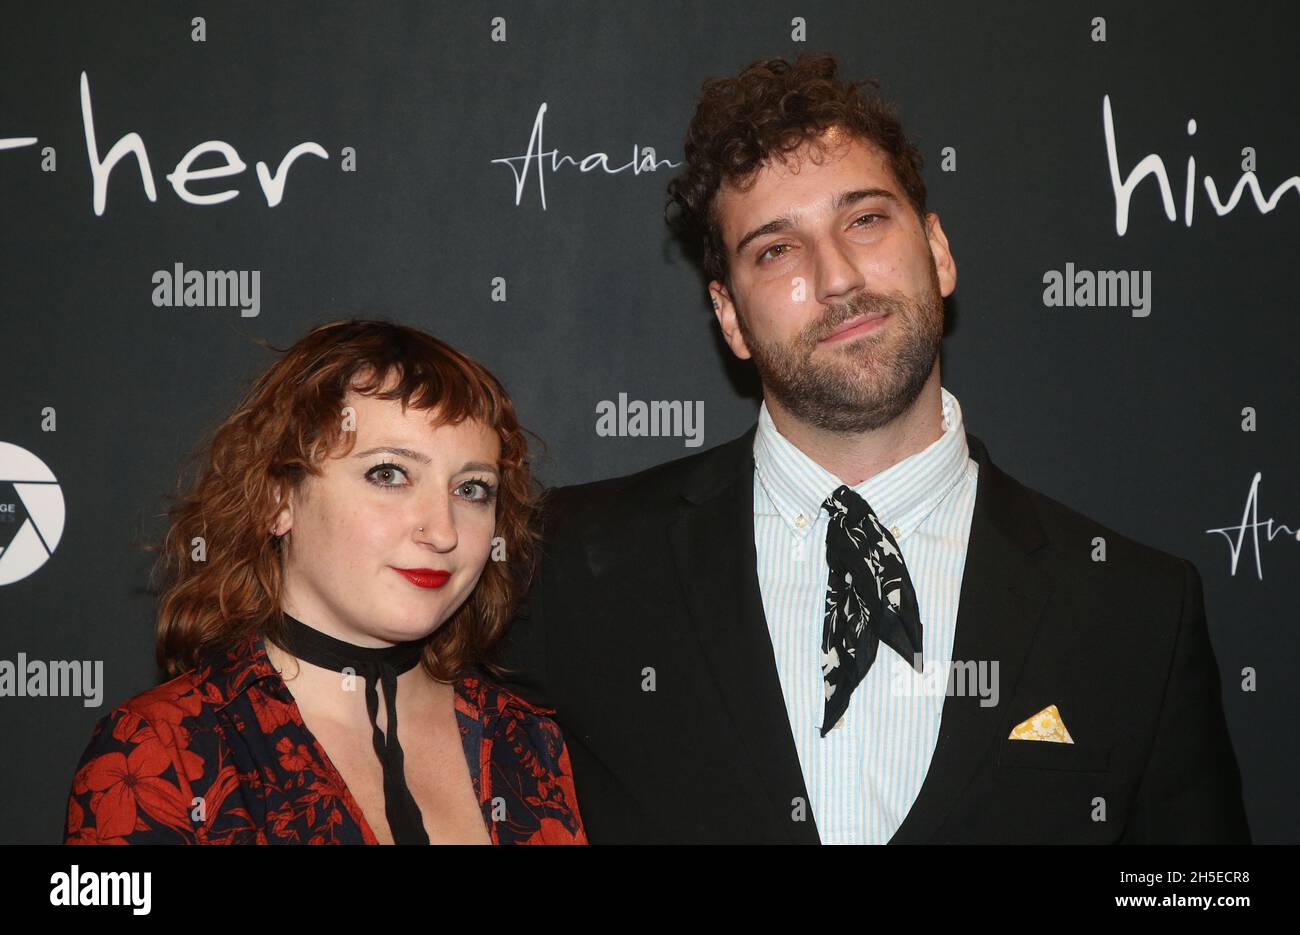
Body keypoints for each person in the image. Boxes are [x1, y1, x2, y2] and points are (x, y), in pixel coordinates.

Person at [492, 54, 1251, 843]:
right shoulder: (571, 563)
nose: (839, 277)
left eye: (864, 219)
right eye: (776, 249)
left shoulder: (1132, 609)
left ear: (939, 251)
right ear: (729, 316)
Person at [63, 320, 586, 844]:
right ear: (278, 499)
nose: (443, 530)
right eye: (389, 474)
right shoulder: (164, 751)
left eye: (472, 488)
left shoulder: (527, 739)